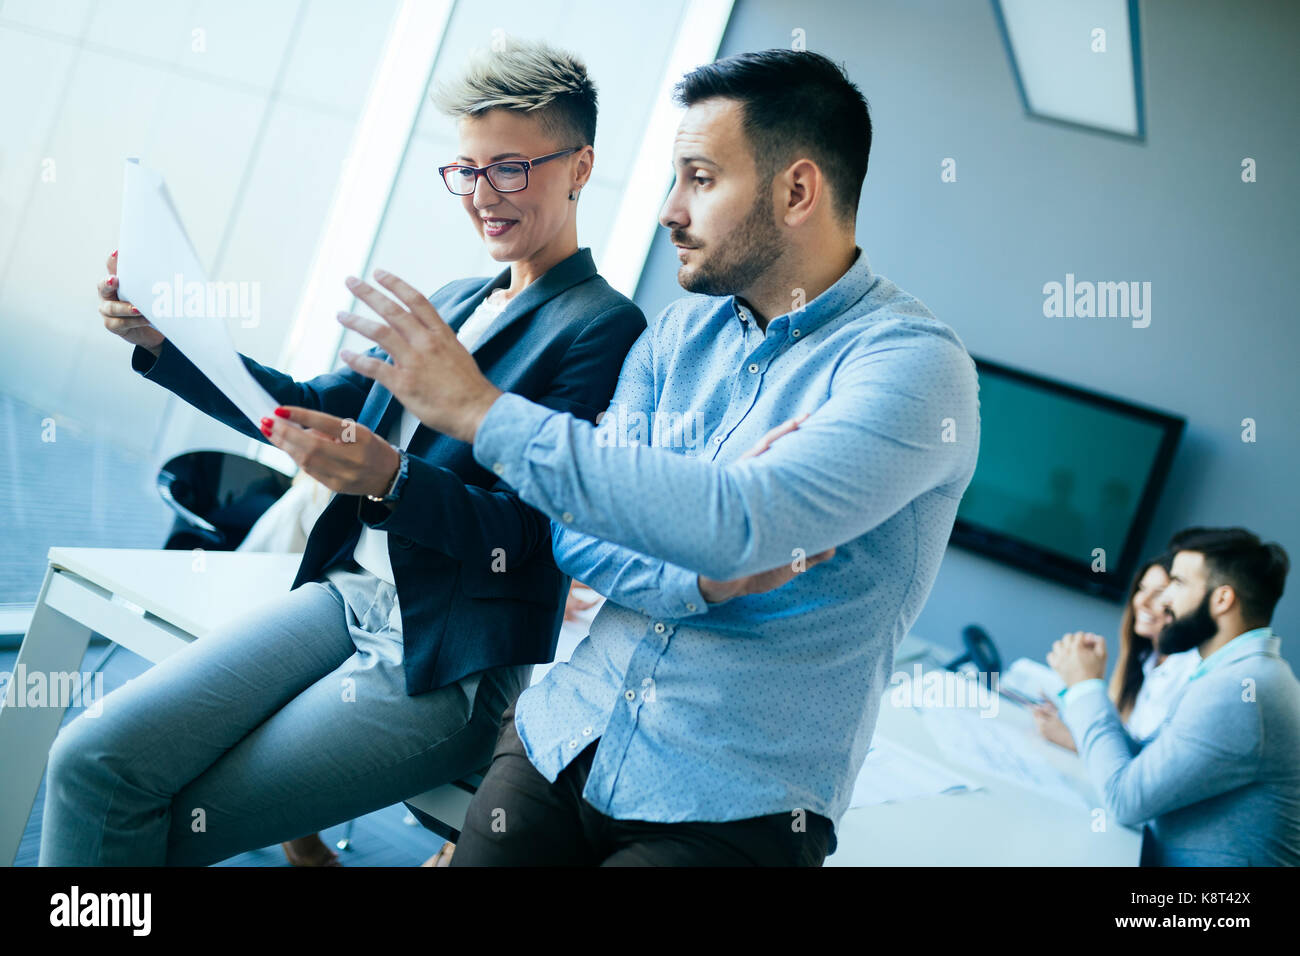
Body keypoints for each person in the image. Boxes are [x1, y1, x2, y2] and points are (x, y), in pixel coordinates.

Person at [314, 49, 981, 865]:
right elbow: (576, 535)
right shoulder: (676, 335)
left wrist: (487, 415)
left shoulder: (913, 370)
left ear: (797, 191)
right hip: (566, 736)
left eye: (699, 178)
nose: (669, 209)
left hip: (734, 802)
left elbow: (745, 524)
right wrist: (698, 570)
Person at [39, 39, 647, 866]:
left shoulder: (601, 327)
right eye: (465, 171)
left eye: (510, 169)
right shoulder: (457, 299)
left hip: (443, 662)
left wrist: (395, 480)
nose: (482, 196)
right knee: (88, 759)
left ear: (580, 168)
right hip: (343, 599)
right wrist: (165, 338)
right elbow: (313, 406)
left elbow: (540, 544)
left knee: (161, 818)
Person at [1048, 527, 1300, 866]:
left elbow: (1125, 800)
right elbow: (1147, 760)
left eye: (1178, 584)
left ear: (1222, 599)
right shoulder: (1238, 673)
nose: (1165, 600)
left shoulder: (1239, 690)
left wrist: (1085, 687)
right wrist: (1081, 688)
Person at [1032, 553, 1200, 749]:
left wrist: (1075, 740)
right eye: (1142, 589)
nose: (1142, 602)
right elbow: (1123, 731)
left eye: (1159, 593)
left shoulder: (1189, 671)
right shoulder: (1146, 659)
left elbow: (1145, 760)